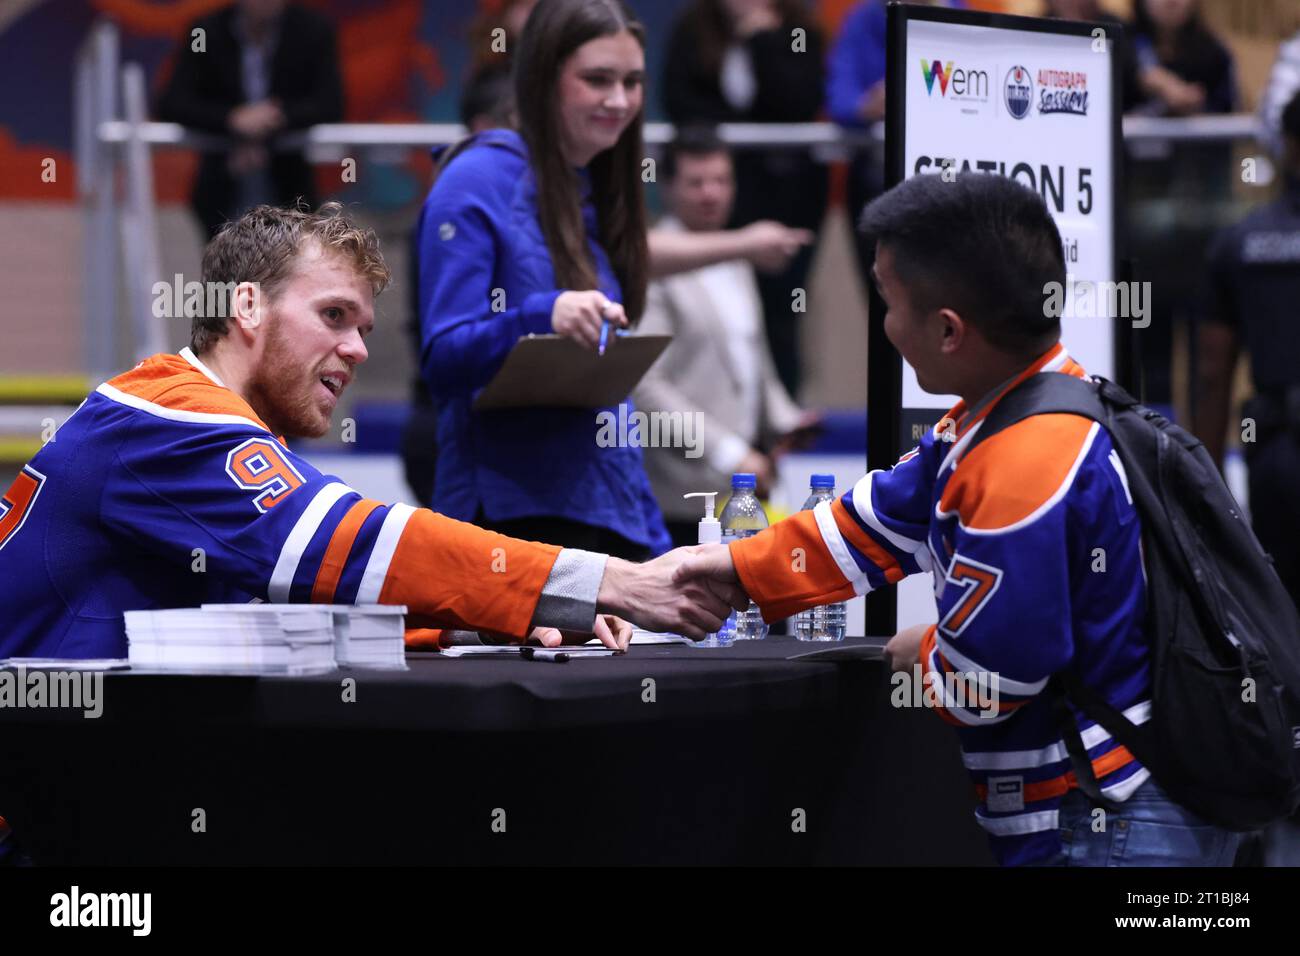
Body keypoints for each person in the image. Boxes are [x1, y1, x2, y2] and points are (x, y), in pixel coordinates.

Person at [676, 172, 1242, 867]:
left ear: (948, 330)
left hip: (1107, 828)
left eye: (887, 300)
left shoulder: (1022, 466)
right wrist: (726, 569)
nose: (884, 326)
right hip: (1108, 813)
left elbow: (991, 682)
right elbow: (873, 521)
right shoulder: (1021, 403)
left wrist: (916, 649)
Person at [0, 203, 748, 661]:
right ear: (247, 310)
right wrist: (613, 579)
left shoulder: (188, 419)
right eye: (332, 317)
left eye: (361, 326)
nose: (357, 350)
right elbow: (360, 544)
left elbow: (293, 613)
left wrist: (494, 620)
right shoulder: (170, 421)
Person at [633, 128, 817, 548]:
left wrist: (786, 418)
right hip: (681, 496)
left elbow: (752, 359)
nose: (711, 193)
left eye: (721, 180)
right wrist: (729, 454)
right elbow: (645, 388)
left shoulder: (736, 256)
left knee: (763, 611)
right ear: (668, 187)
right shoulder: (651, 266)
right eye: (697, 182)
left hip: (744, 489)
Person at [662, 0, 827, 397]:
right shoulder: (694, 28)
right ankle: (714, 416)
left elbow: (797, 102)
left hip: (789, 196)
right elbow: (680, 103)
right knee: (712, 309)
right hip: (724, 194)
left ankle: (784, 418)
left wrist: (763, 42)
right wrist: (733, 140)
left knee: (783, 314)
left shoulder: (799, 32)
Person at [1197, 91, 1300, 615]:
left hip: (1279, 459)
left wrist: (1202, 499)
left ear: (1287, 147)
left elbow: (1214, 374)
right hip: (1277, 450)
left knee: (1281, 616)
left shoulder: (1239, 243)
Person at [155, 0, 344, 239]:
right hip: (221, 186)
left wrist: (272, 120)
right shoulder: (203, 32)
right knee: (226, 271)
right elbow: (173, 103)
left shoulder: (312, 29)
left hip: (291, 188)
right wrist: (231, 119)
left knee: (289, 268)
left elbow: (330, 103)